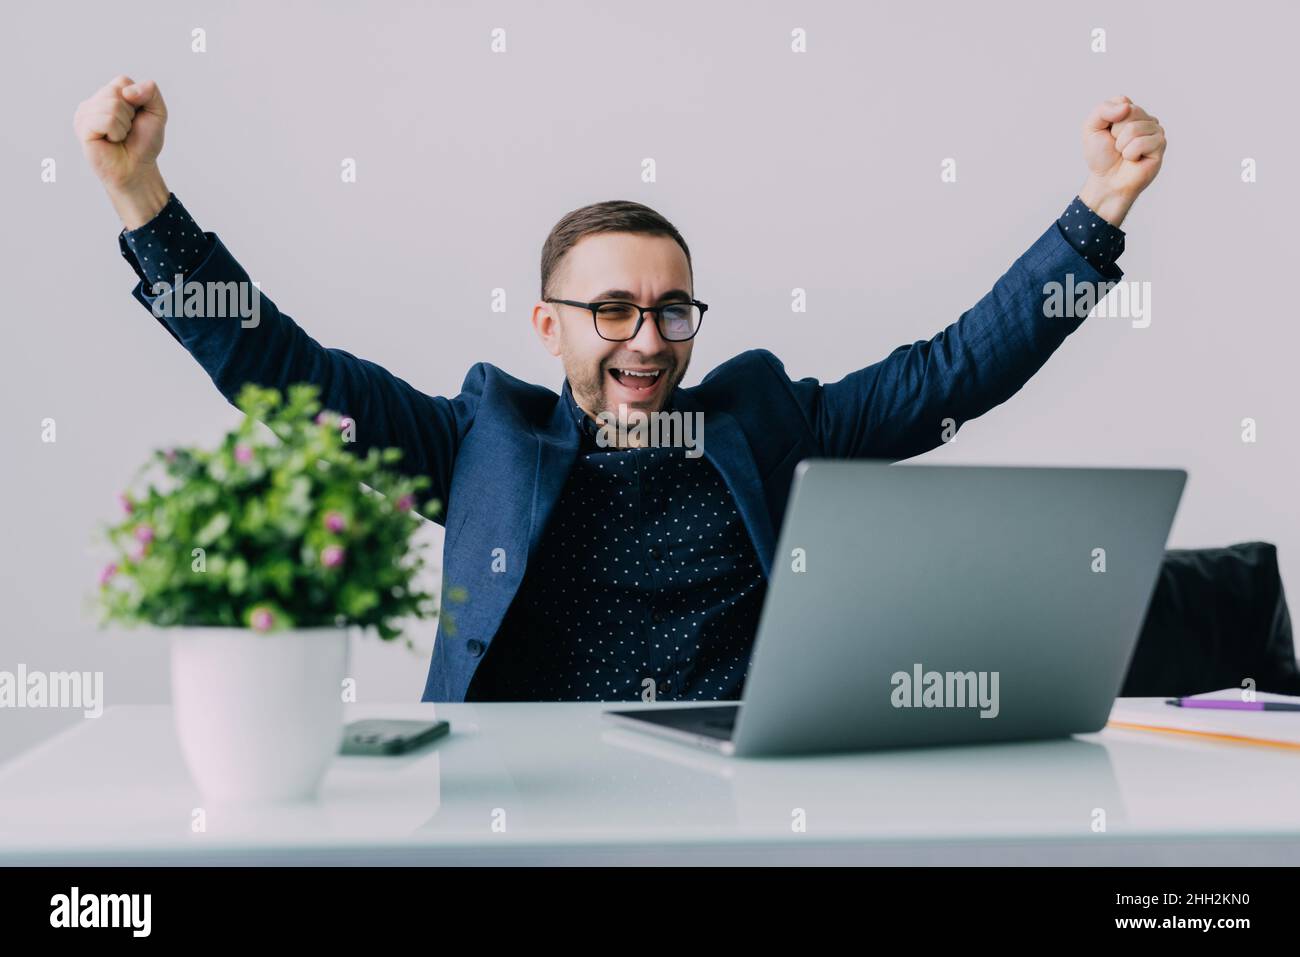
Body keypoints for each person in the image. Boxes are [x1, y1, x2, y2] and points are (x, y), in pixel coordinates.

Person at [74, 76, 1167, 703]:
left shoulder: (766, 422)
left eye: (671, 311)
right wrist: (142, 197)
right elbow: (287, 375)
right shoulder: (481, 440)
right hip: (526, 799)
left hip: (741, 785)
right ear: (548, 324)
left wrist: (1096, 212)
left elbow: (955, 371)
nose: (647, 340)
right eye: (613, 311)